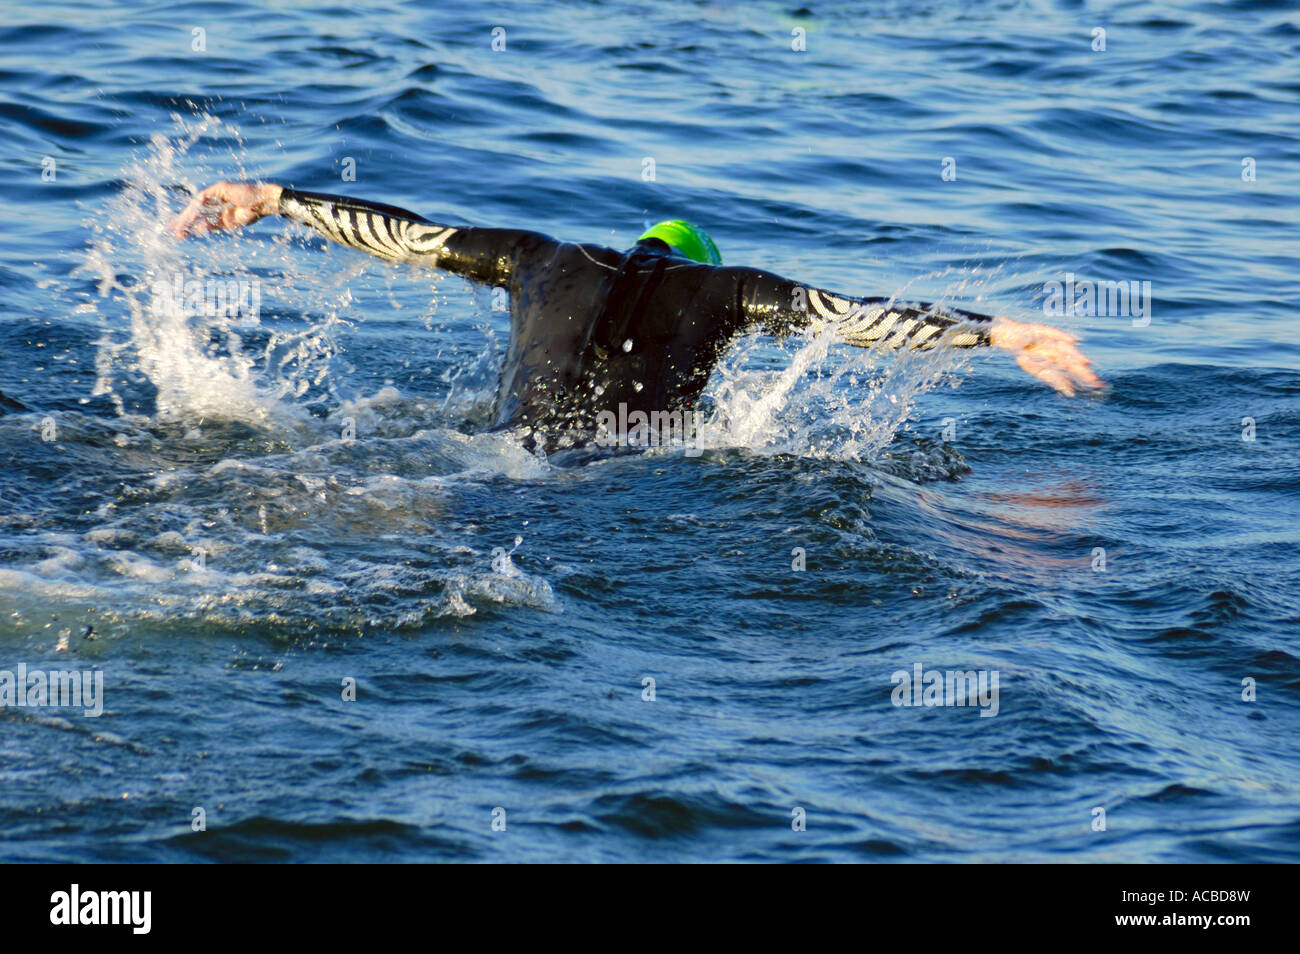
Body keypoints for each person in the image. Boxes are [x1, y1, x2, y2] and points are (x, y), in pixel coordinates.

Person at [170, 182, 1101, 450]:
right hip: (601, 485)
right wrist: (994, 331)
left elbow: (408, 235)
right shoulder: (727, 292)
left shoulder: (537, 258)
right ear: (700, 267)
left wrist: (277, 199)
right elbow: (852, 316)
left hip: (493, 454)